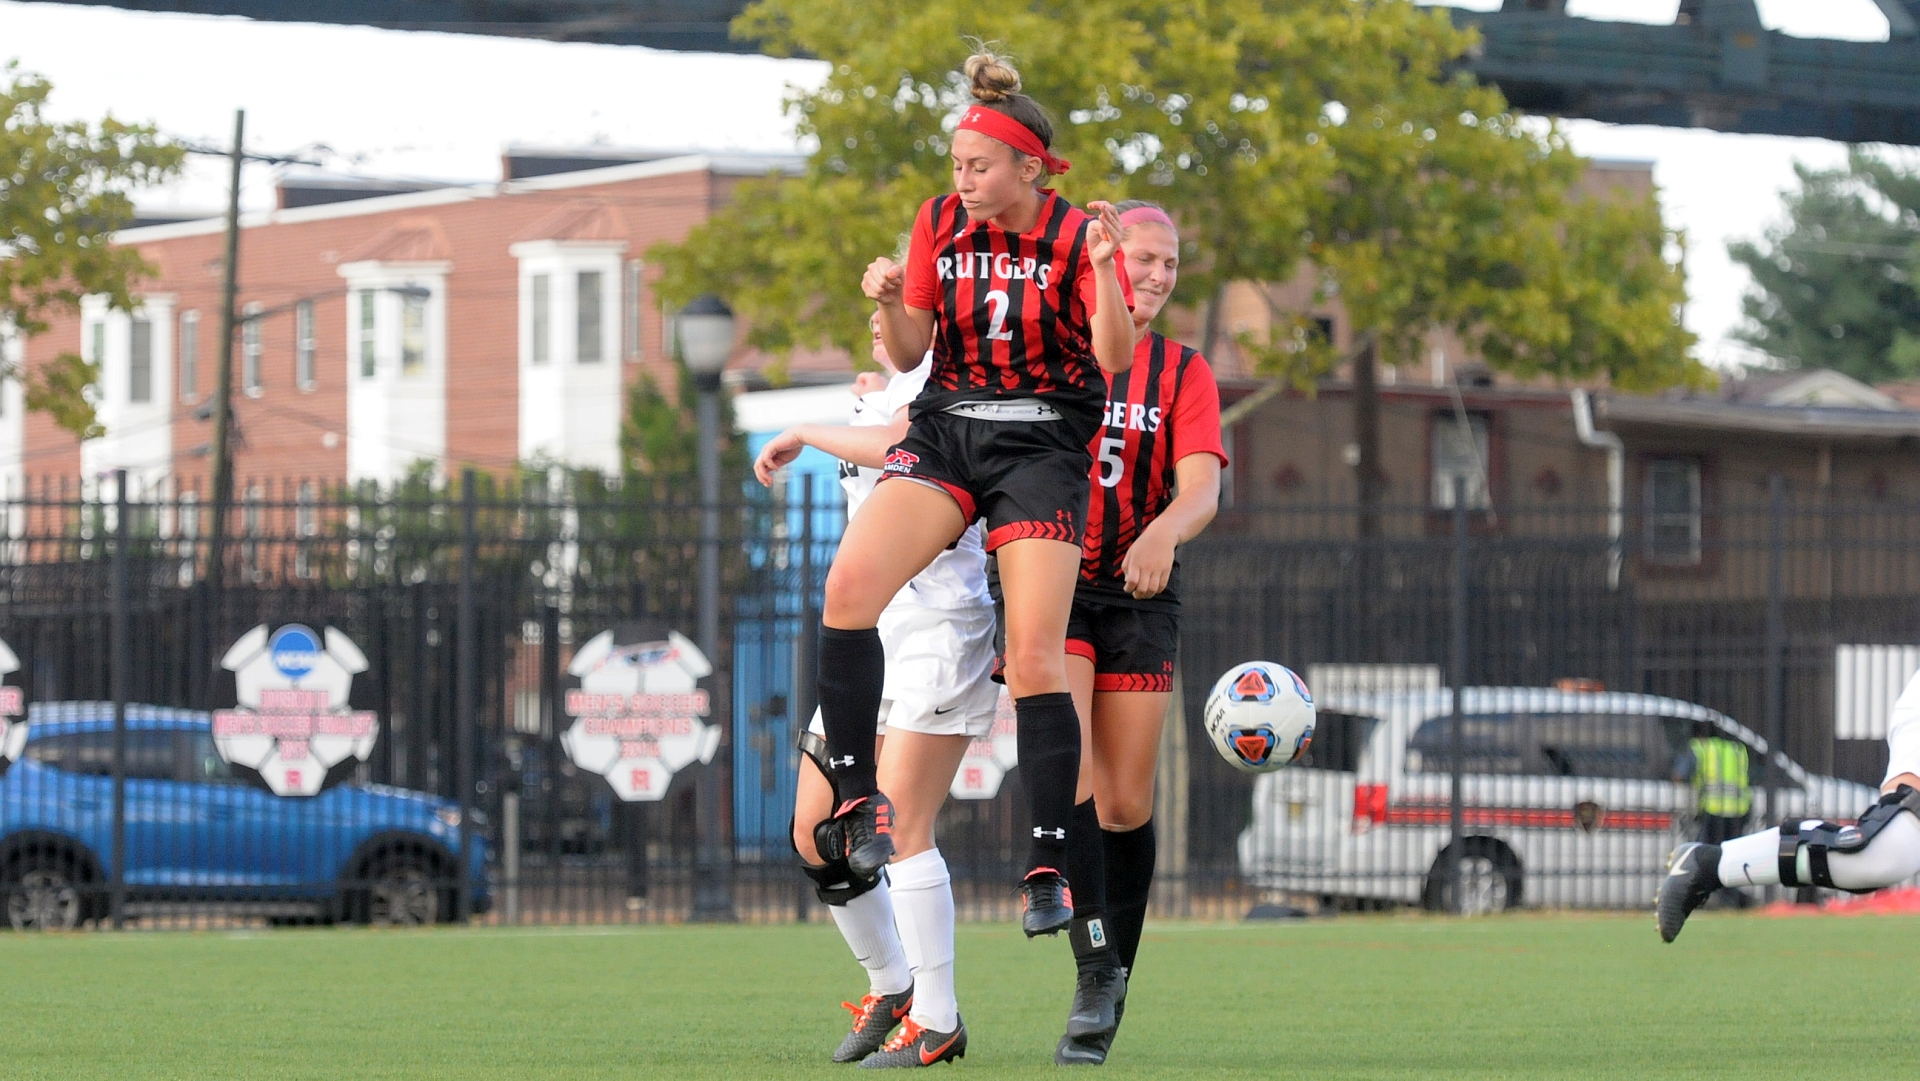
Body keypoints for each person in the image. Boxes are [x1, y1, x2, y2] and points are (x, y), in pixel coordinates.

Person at [810, 47, 1134, 1066]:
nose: (961, 179)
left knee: (1037, 656)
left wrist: (1109, 273)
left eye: (979, 165)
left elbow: (1115, 360)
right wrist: (892, 295)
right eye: (955, 162)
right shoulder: (937, 224)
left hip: (1041, 442)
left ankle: (1047, 865)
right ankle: (857, 795)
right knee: (848, 586)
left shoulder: (1078, 236)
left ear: (1030, 170)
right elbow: (908, 355)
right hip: (949, 430)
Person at [756, 313, 998, 1067]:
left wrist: (809, 427)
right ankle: (892, 984)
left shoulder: (947, 381)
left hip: (937, 626)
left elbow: (901, 443)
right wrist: (868, 396)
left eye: (896, 301)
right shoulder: (890, 386)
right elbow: (886, 416)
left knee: (898, 825)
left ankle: (939, 1015)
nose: (877, 319)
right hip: (874, 635)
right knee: (815, 830)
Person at [1051, 202, 1226, 1065]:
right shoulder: (1054, 342)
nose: (1157, 275)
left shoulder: (1183, 372)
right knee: (1071, 776)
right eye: (1143, 258)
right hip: (1051, 585)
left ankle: (1115, 976)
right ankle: (1089, 969)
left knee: (1125, 803)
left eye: (1169, 263)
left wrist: (1163, 531)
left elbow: (1201, 490)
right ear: (1106, 259)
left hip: (1139, 597)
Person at [1658, 667, 1920, 942]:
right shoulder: (1725, 748)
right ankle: (1708, 865)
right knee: (1886, 853)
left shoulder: (1715, 748)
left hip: (1723, 810)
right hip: (1724, 811)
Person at [1671, 718, 1752, 908]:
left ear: (1698, 735)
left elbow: (1679, 775)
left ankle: (1700, 896)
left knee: (1705, 856)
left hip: (1713, 811)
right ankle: (1732, 897)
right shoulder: (1737, 750)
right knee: (1731, 857)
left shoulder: (1700, 748)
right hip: (1739, 812)